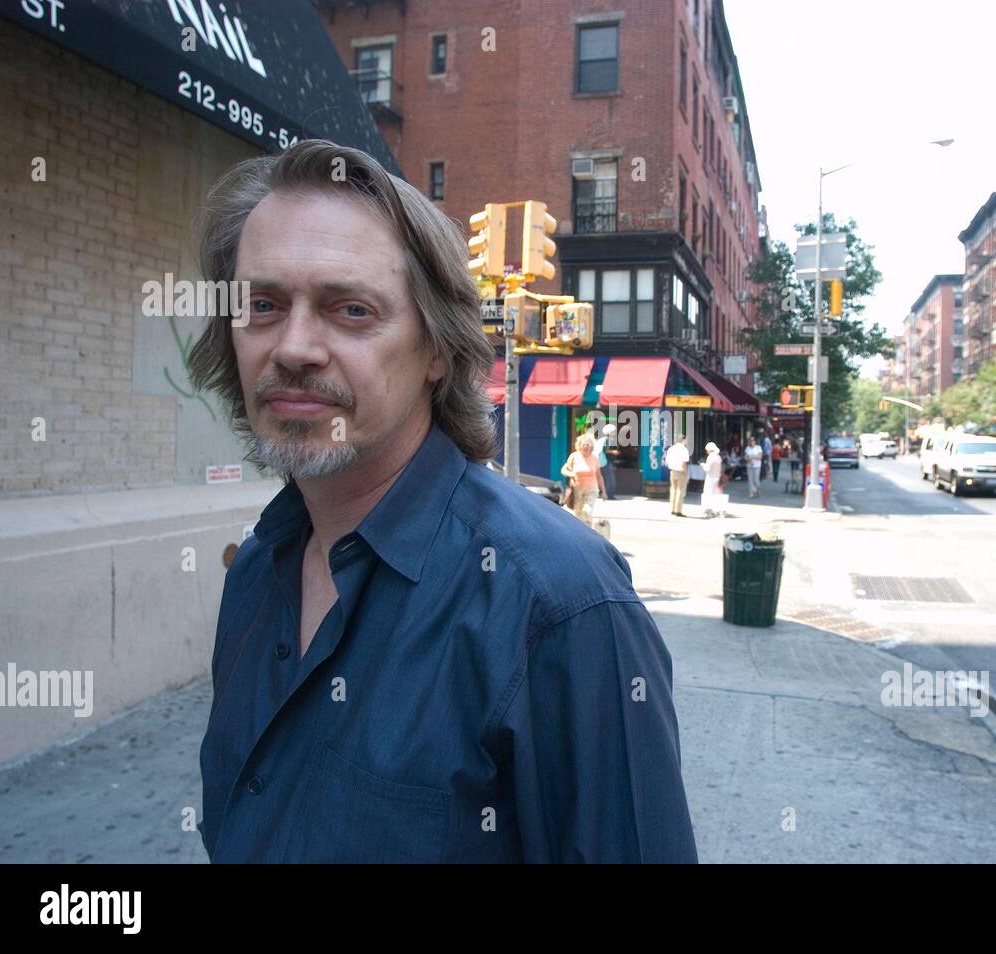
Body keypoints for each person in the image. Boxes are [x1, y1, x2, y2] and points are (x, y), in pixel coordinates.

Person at [188, 140, 695, 863]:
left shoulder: (563, 607)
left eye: (351, 310)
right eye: (263, 305)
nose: (294, 346)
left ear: (437, 352)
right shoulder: (255, 573)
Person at [561, 433, 606, 528]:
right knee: (578, 514)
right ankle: (580, 533)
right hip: (578, 489)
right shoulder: (574, 456)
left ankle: (589, 532)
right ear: (580, 444)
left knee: (587, 510)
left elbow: (599, 476)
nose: (586, 446)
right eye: (584, 444)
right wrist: (571, 474)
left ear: (591, 446)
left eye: (588, 444)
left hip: (592, 489)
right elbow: (564, 470)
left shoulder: (595, 459)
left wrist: (604, 492)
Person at [665, 435, 691, 516]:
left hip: (672, 471)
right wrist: (686, 473)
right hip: (681, 471)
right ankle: (678, 510)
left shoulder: (671, 448)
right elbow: (684, 463)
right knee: (680, 491)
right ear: (683, 440)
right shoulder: (683, 449)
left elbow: (667, 461)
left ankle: (672, 509)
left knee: (673, 490)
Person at [701, 442, 725, 517]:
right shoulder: (718, 457)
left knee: (707, 493)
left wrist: (702, 465)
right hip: (716, 477)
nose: (706, 452)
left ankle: (707, 510)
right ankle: (714, 509)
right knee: (714, 493)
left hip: (710, 477)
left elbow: (708, 468)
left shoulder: (711, 457)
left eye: (707, 450)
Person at [596, 422, 617, 500]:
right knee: (609, 479)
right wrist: (613, 452)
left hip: (605, 461)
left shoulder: (603, 439)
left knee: (605, 478)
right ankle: (609, 495)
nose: (615, 432)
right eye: (614, 431)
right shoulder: (606, 439)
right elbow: (604, 450)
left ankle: (606, 494)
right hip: (606, 462)